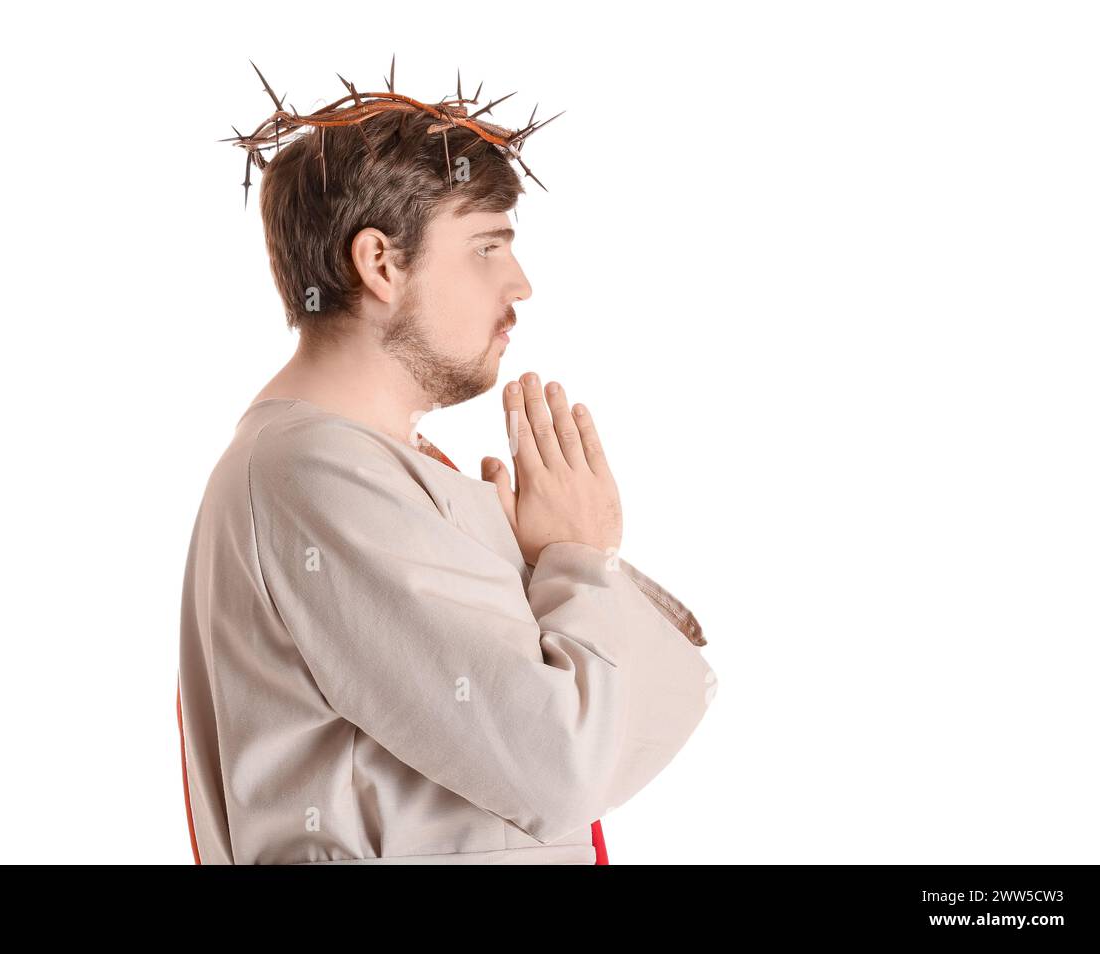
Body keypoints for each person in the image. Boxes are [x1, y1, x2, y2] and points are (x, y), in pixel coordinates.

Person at [177, 100, 716, 864]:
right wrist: (575, 561)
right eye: (487, 246)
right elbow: (561, 769)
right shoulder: (315, 473)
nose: (520, 283)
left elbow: (583, 750)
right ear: (382, 265)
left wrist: (550, 563)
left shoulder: (366, 465)